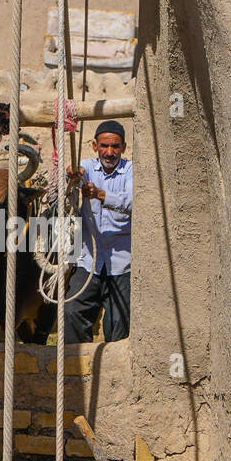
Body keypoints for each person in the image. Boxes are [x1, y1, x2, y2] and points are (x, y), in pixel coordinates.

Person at [63, 119, 132, 343]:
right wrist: (71, 177)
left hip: (121, 264)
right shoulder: (87, 168)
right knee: (71, 311)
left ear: (123, 147)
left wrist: (101, 195)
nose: (109, 152)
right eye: (104, 146)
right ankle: (77, 367)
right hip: (88, 261)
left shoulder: (132, 172)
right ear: (95, 146)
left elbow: (131, 203)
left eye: (115, 146)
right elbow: (72, 182)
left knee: (118, 325)